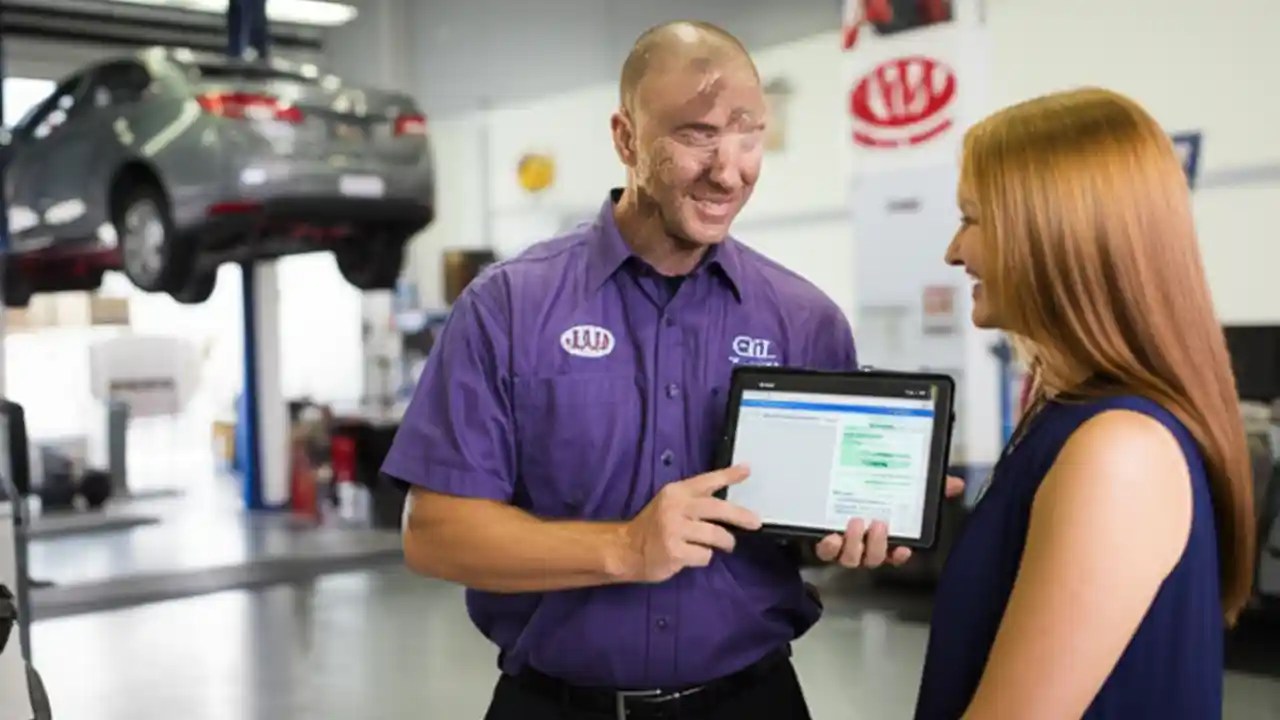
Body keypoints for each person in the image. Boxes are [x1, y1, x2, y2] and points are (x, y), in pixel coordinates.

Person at [384, 20, 962, 720]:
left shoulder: (803, 319)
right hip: (556, 705)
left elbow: (800, 534)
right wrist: (623, 547)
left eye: (749, 134)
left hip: (753, 702)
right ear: (626, 138)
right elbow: (434, 531)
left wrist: (853, 530)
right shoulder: (507, 308)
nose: (730, 168)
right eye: (695, 135)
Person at [915, 87, 1255, 719]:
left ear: (1053, 233)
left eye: (972, 219)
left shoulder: (1117, 450)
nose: (955, 252)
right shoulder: (1068, 417)